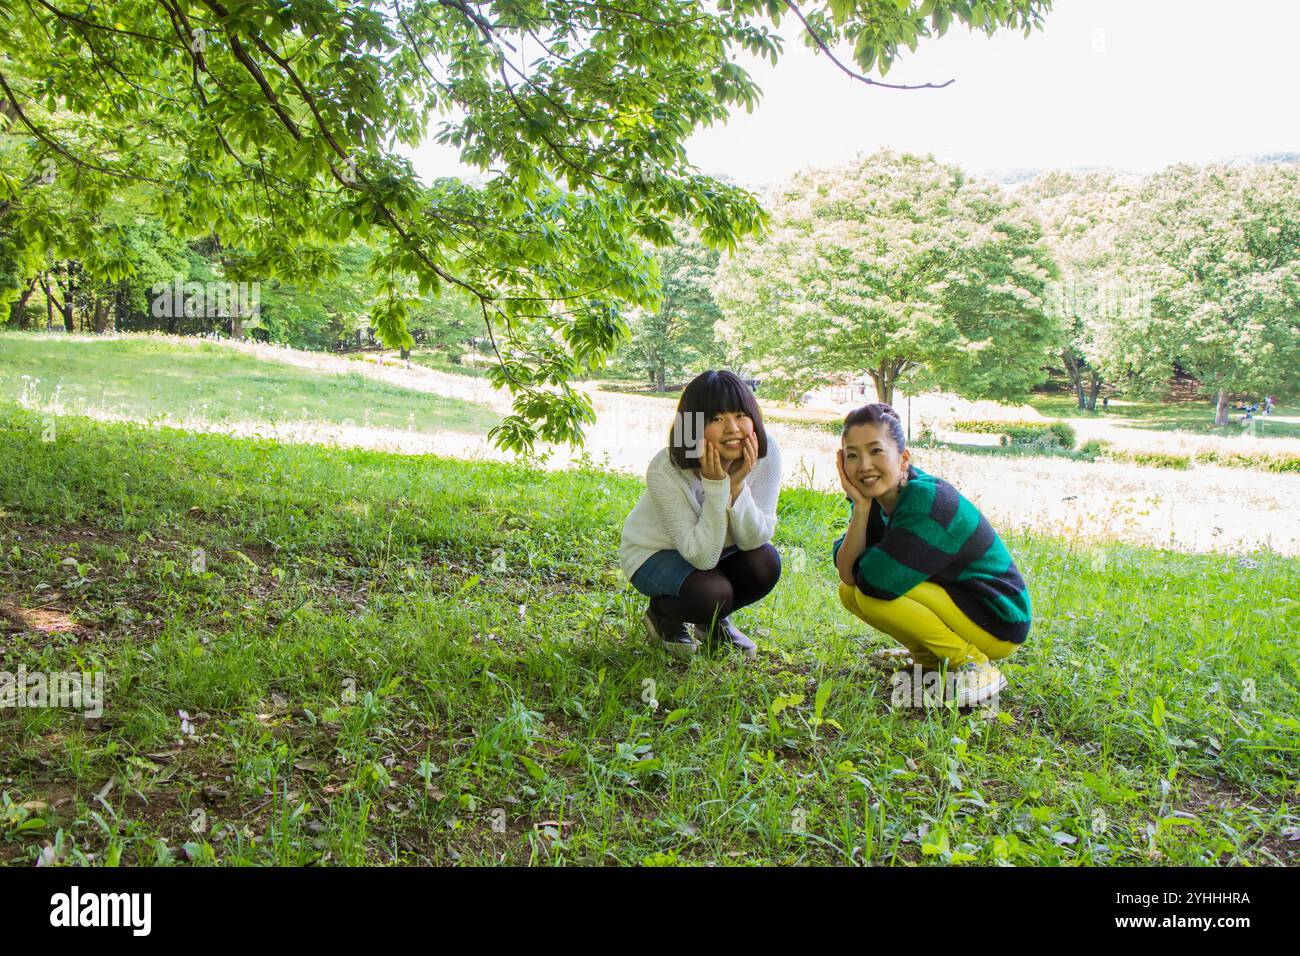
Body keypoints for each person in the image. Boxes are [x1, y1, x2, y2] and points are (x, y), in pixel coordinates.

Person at [832, 403, 1031, 706]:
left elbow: (875, 581)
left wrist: (866, 563)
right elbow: (848, 574)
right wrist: (859, 509)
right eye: (852, 455)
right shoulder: (874, 501)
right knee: (849, 592)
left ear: (903, 459)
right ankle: (928, 658)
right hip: (956, 600)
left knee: (871, 593)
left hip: (997, 617)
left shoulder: (928, 500)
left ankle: (973, 663)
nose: (864, 466)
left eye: (876, 451)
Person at [620, 370, 782, 659]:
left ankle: (711, 625)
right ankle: (663, 614)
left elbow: (755, 539)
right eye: (716, 419)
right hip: (654, 554)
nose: (733, 428)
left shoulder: (765, 454)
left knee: (765, 562)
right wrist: (717, 487)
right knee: (713, 593)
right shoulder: (666, 468)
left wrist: (737, 485)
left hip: (718, 551)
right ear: (692, 426)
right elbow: (702, 556)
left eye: (741, 414)